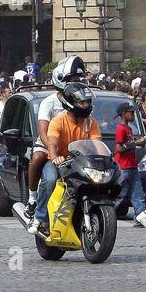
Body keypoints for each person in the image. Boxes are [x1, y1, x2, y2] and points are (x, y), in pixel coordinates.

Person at [30, 82, 102, 237]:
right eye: (82, 102)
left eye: (88, 102)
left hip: (82, 163)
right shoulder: (58, 121)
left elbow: (96, 144)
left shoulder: (91, 122)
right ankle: (40, 218)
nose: (86, 105)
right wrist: (55, 157)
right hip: (59, 162)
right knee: (49, 179)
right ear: (70, 103)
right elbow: (52, 143)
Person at [114, 102, 146, 228]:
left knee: (138, 194)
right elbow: (119, 148)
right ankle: (104, 216)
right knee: (120, 195)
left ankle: (139, 218)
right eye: (131, 113)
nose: (133, 115)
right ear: (124, 114)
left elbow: (132, 145)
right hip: (123, 167)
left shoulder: (129, 129)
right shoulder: (121, 128)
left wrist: (140, 143)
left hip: (132, 165)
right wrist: (134, 144)